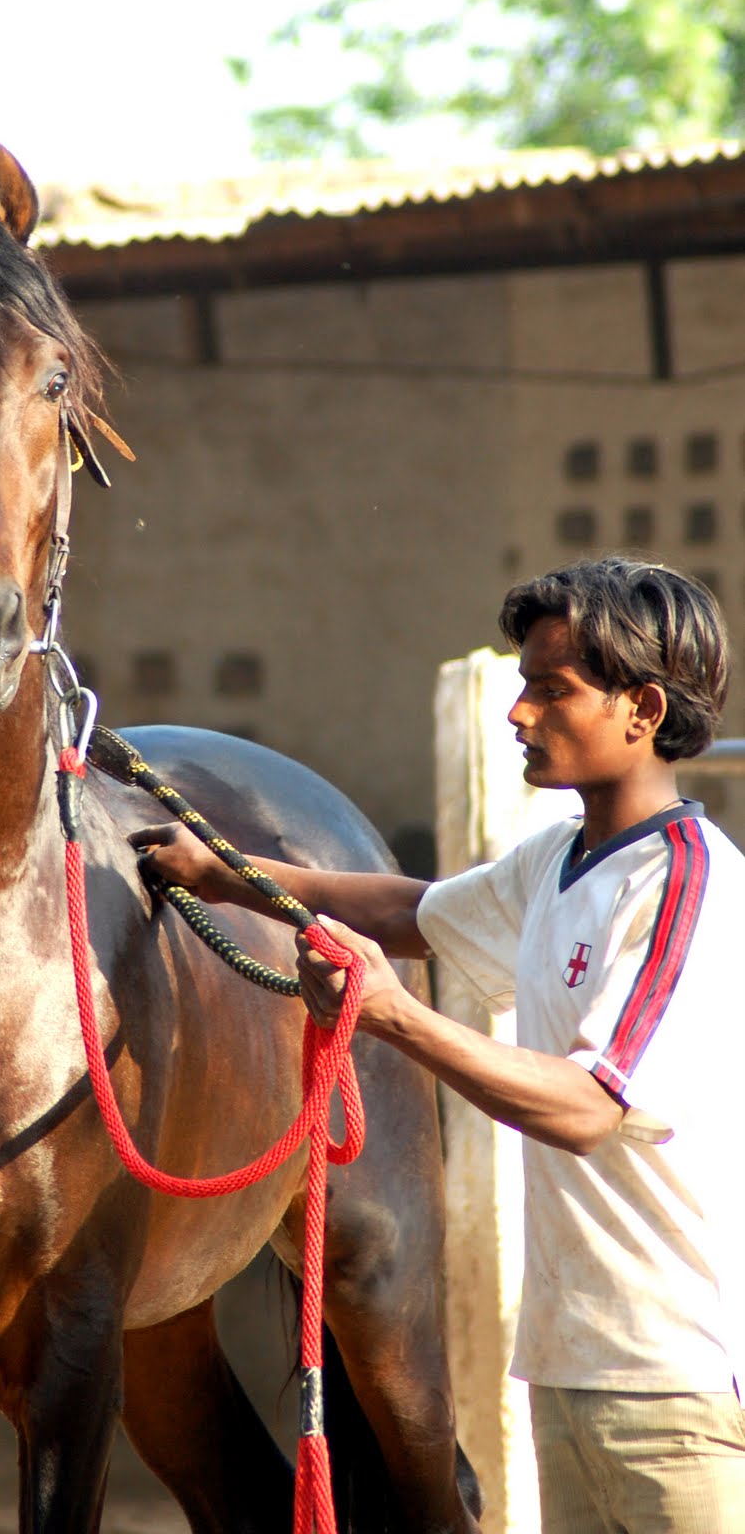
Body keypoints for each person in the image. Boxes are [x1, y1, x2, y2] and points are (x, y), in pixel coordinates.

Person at [130, 556, 745, 1533]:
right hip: (570, 1371)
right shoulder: (561, 860)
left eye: (551, 690)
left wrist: (395, 1016)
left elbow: (589, 1107)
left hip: (675, 1385)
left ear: (642, 709)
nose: (519, 713)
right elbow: (409, 911)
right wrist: (224, 874)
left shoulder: (681, 886)